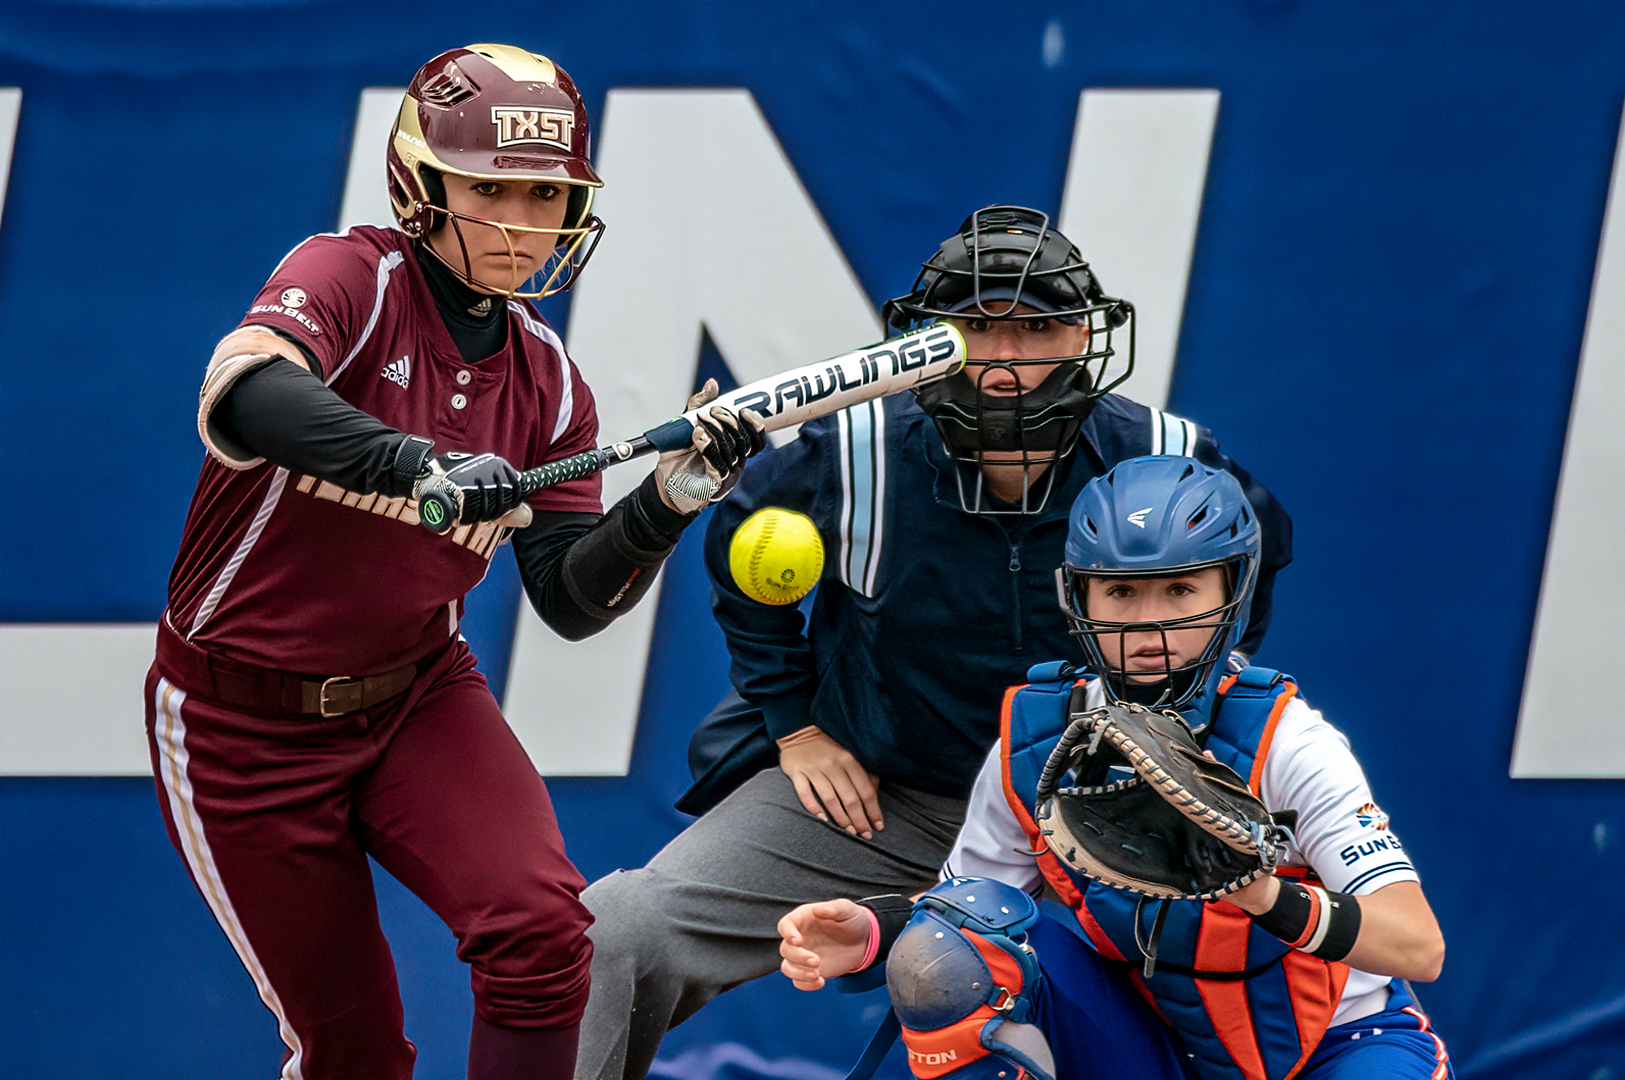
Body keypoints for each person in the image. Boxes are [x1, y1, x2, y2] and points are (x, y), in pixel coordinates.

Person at [144, 44, 763, 1080]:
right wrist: (416, 465)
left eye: (547, 194)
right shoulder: (349, 275)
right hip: (238, 722)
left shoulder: (550, 381)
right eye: (492, 189)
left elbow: (569, 597)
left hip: (418, 696)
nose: (525, 221)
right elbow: (248, 391)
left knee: (542, 938)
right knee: (353, 1054)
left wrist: (667, 500)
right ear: (418, 187)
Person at [576, 207, 1291, 1077]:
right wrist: (795, 723)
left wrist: (1175, 732)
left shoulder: (1162, 454)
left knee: (1214, 987)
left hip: (1100, 815)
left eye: (1039, 327)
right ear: (927, 341)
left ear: (1085, 337)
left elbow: (1255, 555)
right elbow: (740, 553)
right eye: (979, 327)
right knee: (615, 929)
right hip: (885, 803)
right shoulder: (856, 453)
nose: (1008, 360)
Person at [776, 455, 1450, 1080]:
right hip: (1158, 1048)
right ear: (1079, 598)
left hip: (1338, 1045)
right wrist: (871, 934)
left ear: (1232, 591)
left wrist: (1260, 893)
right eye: (1121, 592)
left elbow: (1418, 946)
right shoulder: (1040, 742)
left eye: (1180, 590)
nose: (1148, 627)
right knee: (952, 946)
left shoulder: (1289, 742)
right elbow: (965, 914)